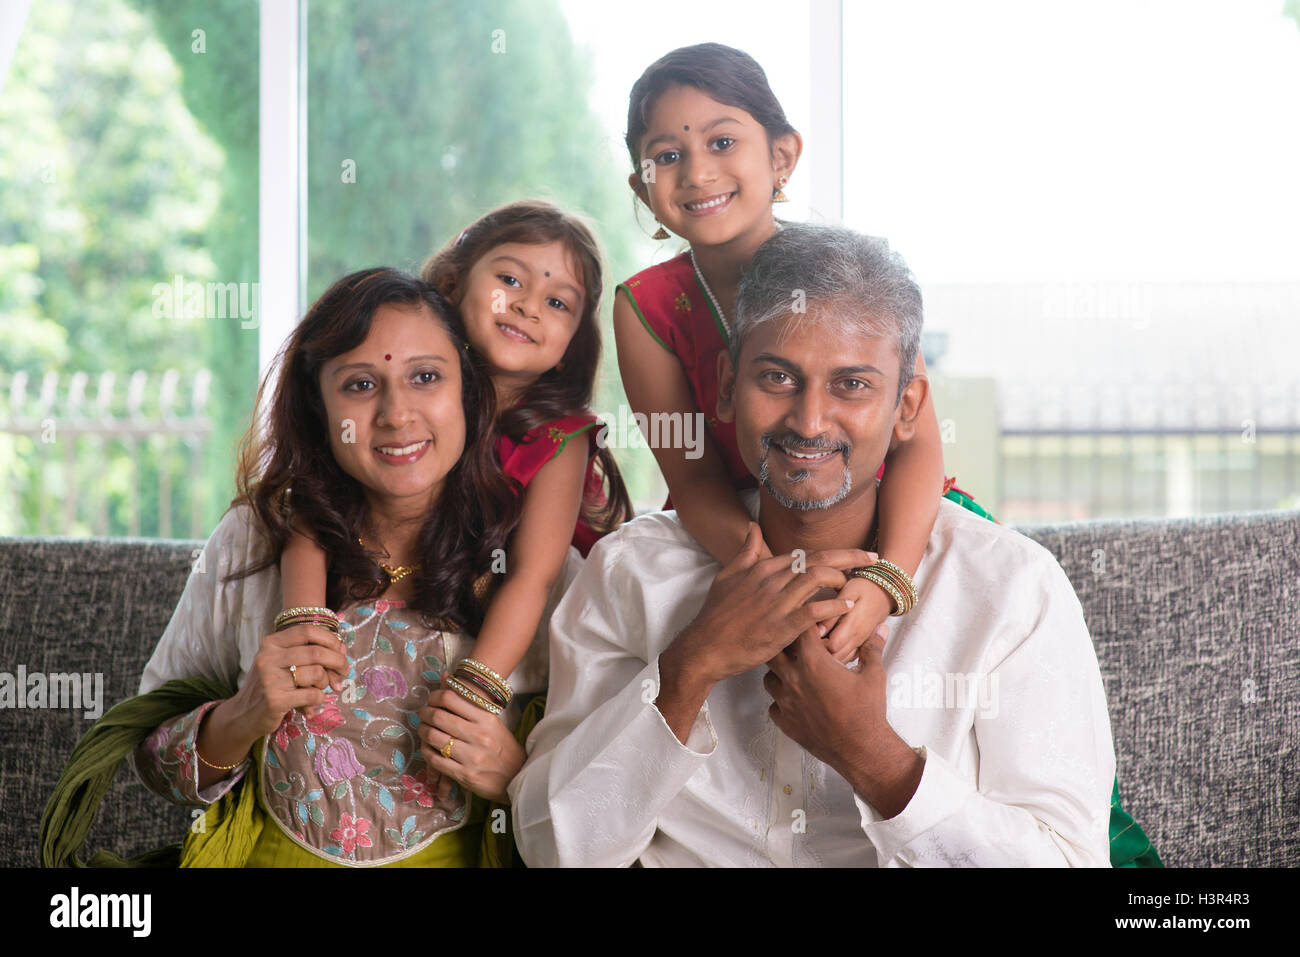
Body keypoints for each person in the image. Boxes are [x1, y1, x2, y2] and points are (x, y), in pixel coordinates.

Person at [509, 224, 1117, 867]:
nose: (809, 421)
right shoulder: (633, 572)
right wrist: (689, 668)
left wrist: (876, 759)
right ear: (723, 385)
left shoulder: (1009, 588)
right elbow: (549, 849)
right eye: (777, 377)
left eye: (852, 385)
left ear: (906, 407)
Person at [132, 268, 570, 866]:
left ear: (468, 393)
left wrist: (516, 777)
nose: (396, 413)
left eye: (425, 377)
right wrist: (241, 715)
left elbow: (605, 812)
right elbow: (155, 766)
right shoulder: (254, 541)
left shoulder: (535, 568)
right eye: (361, 385)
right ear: (319, 408)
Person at [614, 43, 982, 666]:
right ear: (643, 188)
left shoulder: (851, 275)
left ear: (782, 156)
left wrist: (886, 579)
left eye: (722, 143)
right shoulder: (646, 307)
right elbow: (694, 474)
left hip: (883, 523)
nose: (697, 173)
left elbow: (915, 439)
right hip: (744, 537)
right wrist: (781, 579)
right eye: (668, 157)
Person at [277, 203, 632, 785]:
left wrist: (477, 685)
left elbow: (532, 578)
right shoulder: (410, 411)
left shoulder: (561, 436)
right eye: (510, 280)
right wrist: (305, 627)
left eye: (557, 302)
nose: (526, 305)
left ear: (572, 341)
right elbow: (314, 507)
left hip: (540, 613)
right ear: (450, 284)